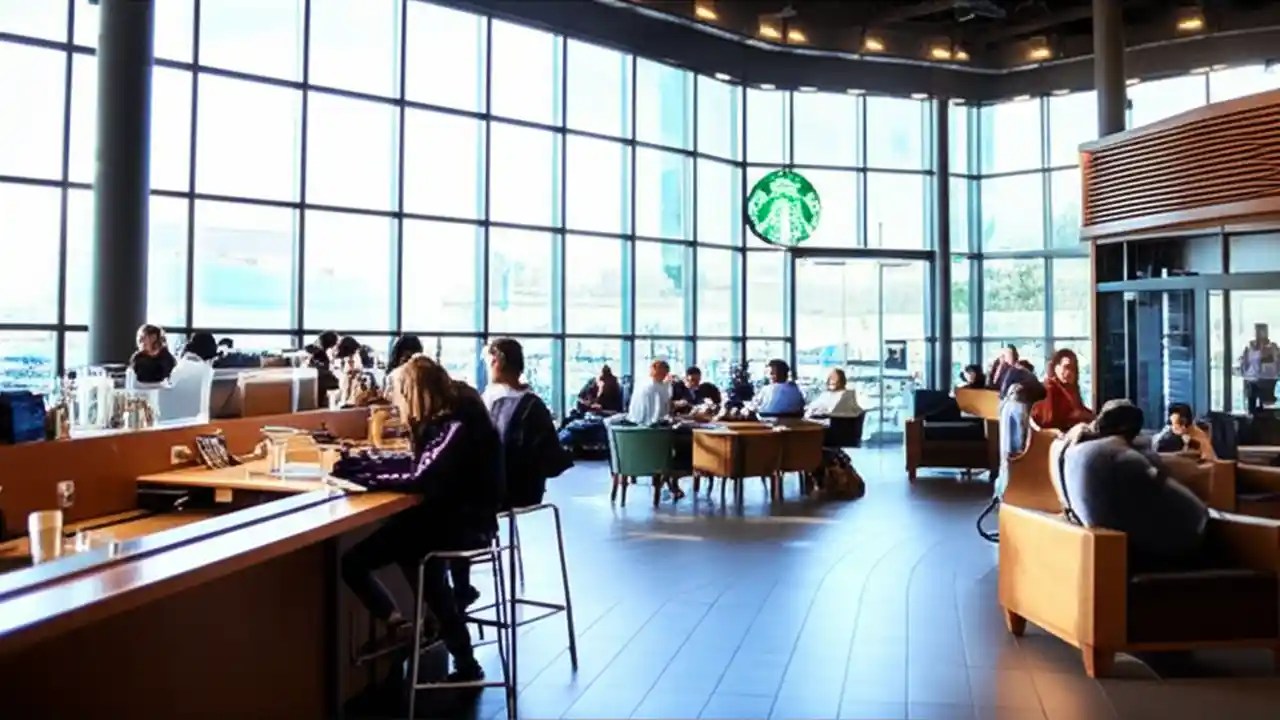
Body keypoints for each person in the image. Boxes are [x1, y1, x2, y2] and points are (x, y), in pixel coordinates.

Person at [339, 355, 501, 683]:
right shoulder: (457, 417)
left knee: (353, 562)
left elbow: (420, 477)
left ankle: (397, 623)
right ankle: (462, 661)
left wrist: (360, 475)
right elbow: (422, 468)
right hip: (459, 521)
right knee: (426, 575)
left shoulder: (454, 425)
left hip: (457, 525)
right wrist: (363, 469)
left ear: (413, 391)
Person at [1055, 399, 1209, 571]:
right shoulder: (1123, 459)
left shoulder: (1078, 450)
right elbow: (1195, 515)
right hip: (1150, 557)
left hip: (1112, 548)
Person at [482, 338, 573, 509]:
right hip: (525, 489)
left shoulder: (489, 401)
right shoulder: (533, 406)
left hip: (501, 492)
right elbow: (552, 460)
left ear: (496, 362)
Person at [1031, 349, 1094, 431]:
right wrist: (1075, 416)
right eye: (1066, 367)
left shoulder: (1071, 389)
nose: (1069, 372)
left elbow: (1080, 410)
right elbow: (1047, 421)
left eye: (1073, 368)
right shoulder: (1049, 388)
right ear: (1056, 368)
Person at [614, 360, 673, 426]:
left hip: (635, 421)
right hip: (652, 425)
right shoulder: (657, 387)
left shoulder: (643, 383)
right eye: (666, 373)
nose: (666, 376)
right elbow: (663, 410)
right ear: (662, 373)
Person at [1240, 323, 1279, 414]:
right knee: (1252, 398)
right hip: (1253, 380)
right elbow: (1245, 367)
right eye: (1258, 331)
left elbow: (1275, 366)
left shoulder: (1272, 348)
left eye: (1262, 331)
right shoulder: (1250, 348)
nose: (1260, 334)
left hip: (1268, 381)